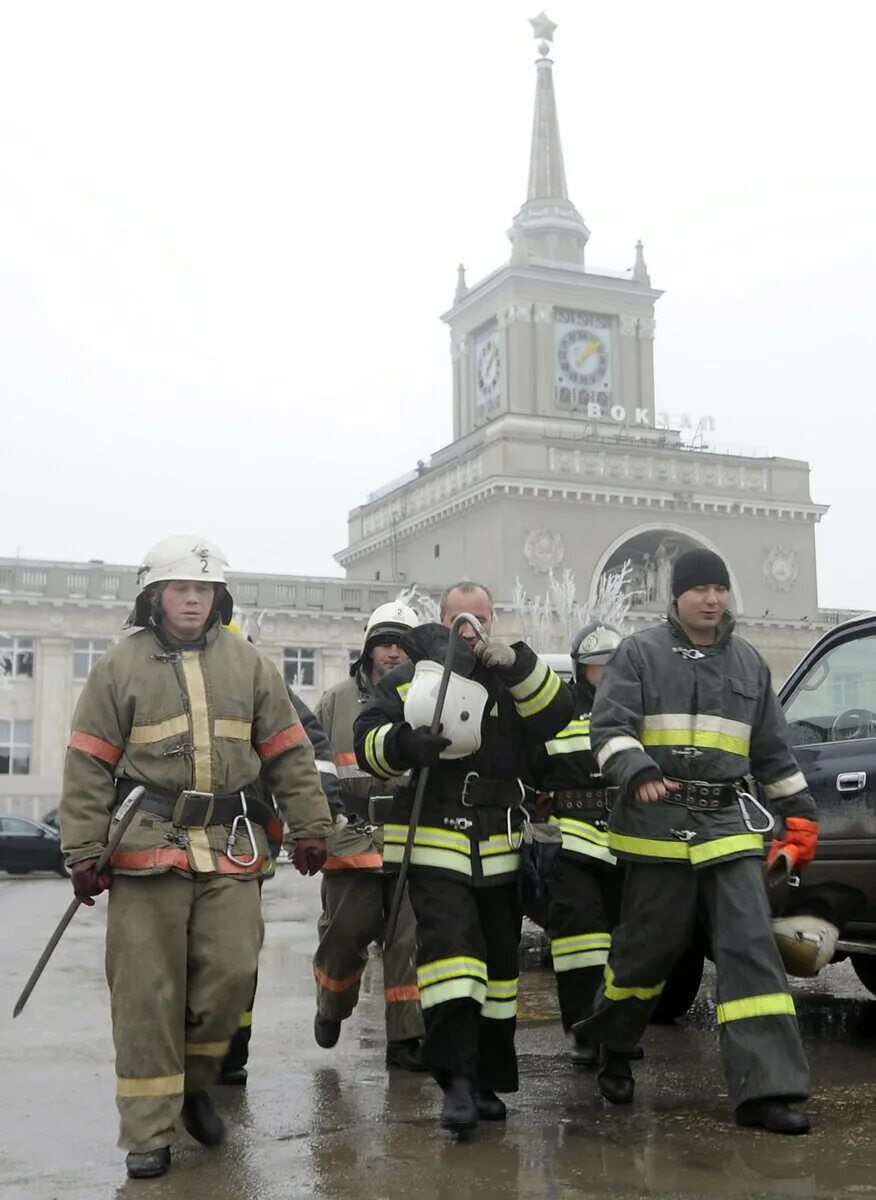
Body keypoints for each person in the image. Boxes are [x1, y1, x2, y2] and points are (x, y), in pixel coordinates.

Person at [59, 535, 332, 1180]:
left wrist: (311, 825)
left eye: (203, 590)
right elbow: (88, 764)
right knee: (146, 993)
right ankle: (148, 1131)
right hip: (145, 842)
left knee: (234, 972)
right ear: (155, 596)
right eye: (181, 588)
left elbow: (289, 752)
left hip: (230, 845)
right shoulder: (117, 667)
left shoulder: (251, 663)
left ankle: (194, 1081)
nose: (193, 600)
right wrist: (83, 848)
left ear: (219, 597)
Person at [574, 548, 818, 1135]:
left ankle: (768, 1091)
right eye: (699, 589)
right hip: (657, 831)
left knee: (750, 948)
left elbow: (773, 753)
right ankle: (612, 1041)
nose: (711, 599)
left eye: (719, 588)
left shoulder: (749, 665)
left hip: (729, 829)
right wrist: (637, 771)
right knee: (646, 951)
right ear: (677, 597)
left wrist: (799, 817)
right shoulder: (639, 654)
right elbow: (608, 729)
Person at [354, 581, 573, 1134]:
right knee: (453, 959)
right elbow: (367, 739)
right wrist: (403, 744)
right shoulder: (414, 675)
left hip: (500, 845)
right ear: (443, 620)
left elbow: (557, 716)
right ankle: (453, 1081)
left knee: (500, 973)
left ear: (492, 622)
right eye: (460, 617)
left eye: (480, 617)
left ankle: (484, 1078)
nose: (470, 627)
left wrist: (521, 665)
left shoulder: (512, 679)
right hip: (433, 844)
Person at [311, 603, 426, 1070]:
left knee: (408, 941)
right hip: (351, 838)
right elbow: (313, 768)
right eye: (384, 642)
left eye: (402, 642)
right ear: (368, 648)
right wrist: (312, 826)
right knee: (344, 934)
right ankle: (332, 1005)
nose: (393, 652)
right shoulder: (335, 701)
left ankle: (405, 1038)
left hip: (411, 835)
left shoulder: (430, 700)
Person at [220, 664, 343, 1086]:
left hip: (241, 837)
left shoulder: (252, 674)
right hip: (163, 839)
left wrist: (314, 819)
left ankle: (229, 1048)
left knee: (234, 950)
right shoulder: (141, 671)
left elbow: (304, 746)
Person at [531, 622, 642, 1066]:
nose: (605, 674)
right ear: (581, 669)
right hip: (571, 839)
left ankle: (615, 1031)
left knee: (625, 941)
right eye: (597, 667)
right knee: (580, 937)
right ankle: (582, 1030)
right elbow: (532, 765)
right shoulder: (557, 711)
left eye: (613, 666)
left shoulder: (639, 709)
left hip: (626, 837)